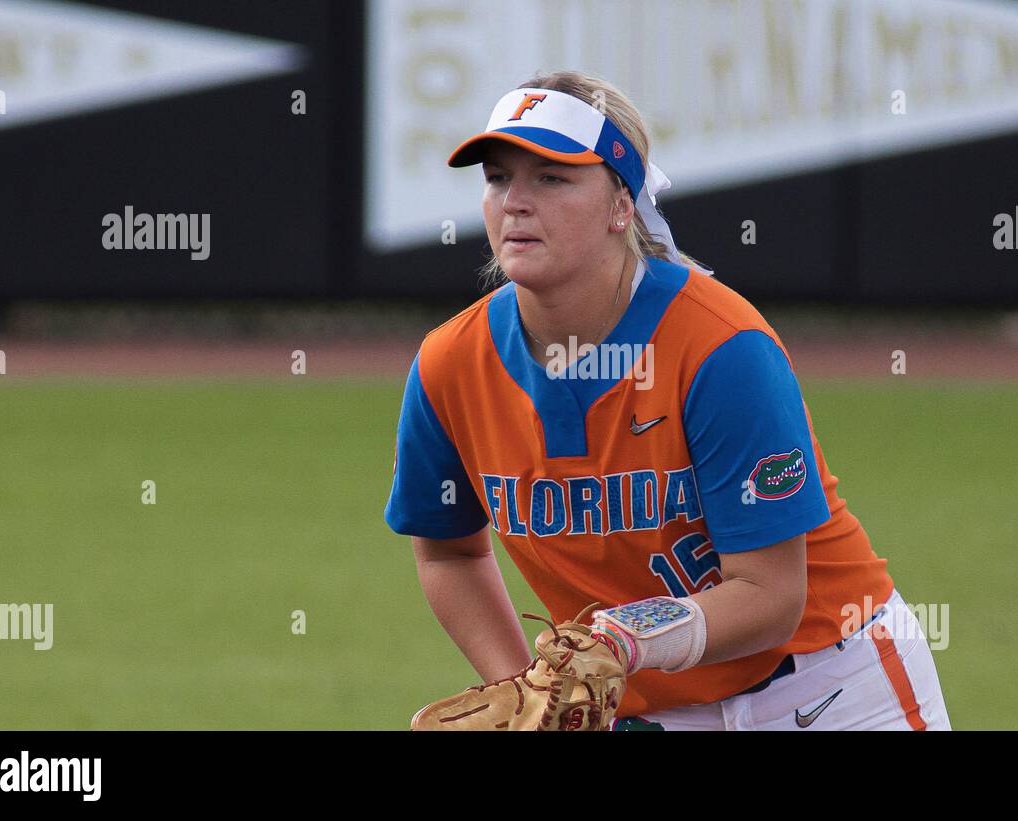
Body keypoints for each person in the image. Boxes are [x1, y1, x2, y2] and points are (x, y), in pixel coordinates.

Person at [384, 70, 951, 731]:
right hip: (655, 711)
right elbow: (448, 550)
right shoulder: (451, 365)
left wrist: (626, 638)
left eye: (551, 178)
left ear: (622, 205)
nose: (515, 200)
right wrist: (527, 695)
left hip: (832, 683)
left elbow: (773, 596)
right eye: (498, 177)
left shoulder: (718, 346)